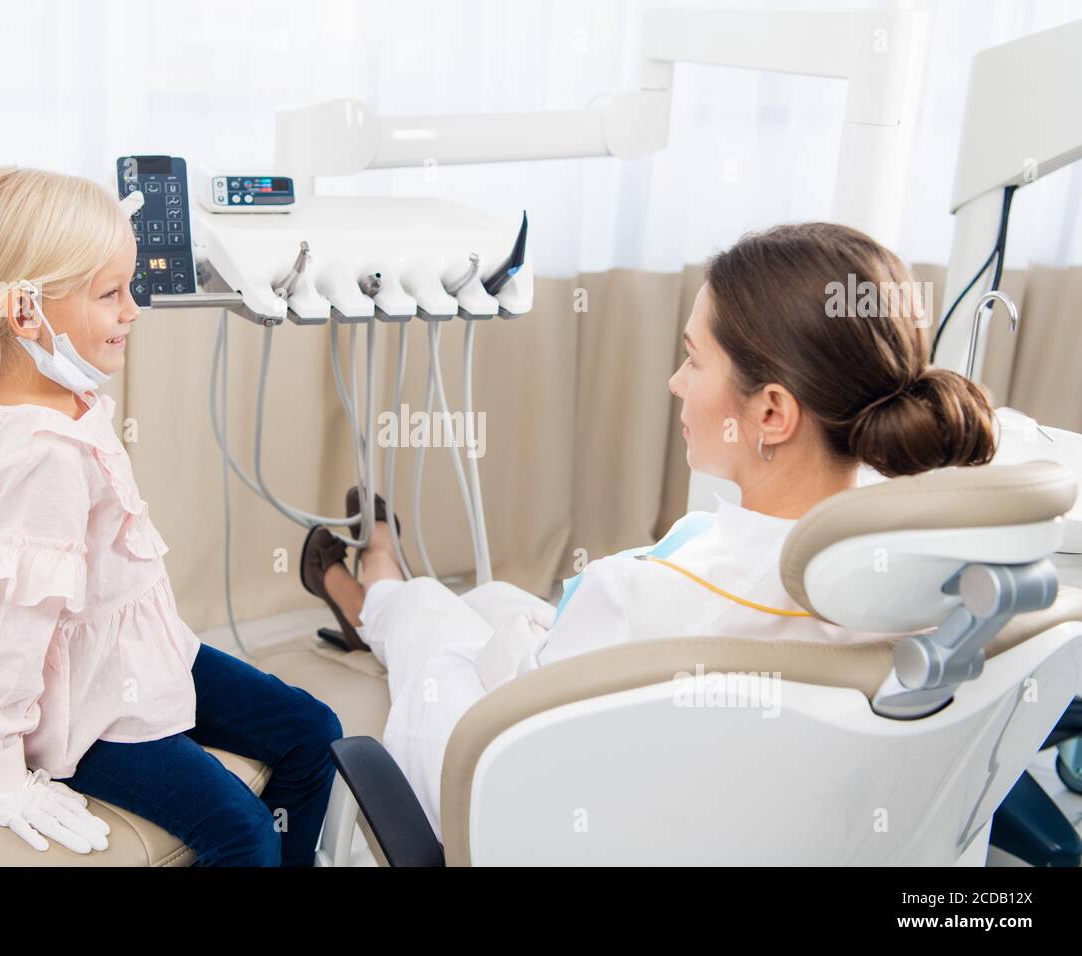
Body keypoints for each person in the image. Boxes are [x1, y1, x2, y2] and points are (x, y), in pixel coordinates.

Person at [302, 221, 997, 840]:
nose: (674, 382)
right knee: (493, 602)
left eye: (694, 360)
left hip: (529, 807)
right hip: (746, 809)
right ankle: (387, 600)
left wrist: (520, 654)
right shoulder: (923, 577)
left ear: (773, 415)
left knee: (433, 619)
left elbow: (524, 716)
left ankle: (378, 593)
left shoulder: (641, 595)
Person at [0, 166, 342, 866]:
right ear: (25, 314)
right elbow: (10, 626)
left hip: (140, 653)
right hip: (80, 707)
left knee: (314, 732)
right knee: (240, 832)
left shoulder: (41, 380)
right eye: (110, 293)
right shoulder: (44, 458)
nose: (133, 309)